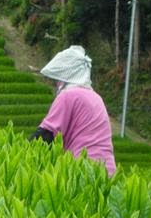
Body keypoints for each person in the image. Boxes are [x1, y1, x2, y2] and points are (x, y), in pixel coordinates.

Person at [29, 45, 116, 176]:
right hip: (108, 171)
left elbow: (46, 134)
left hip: (85, 170)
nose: (57, 83)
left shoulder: (68, 95)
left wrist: (20, 154)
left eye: (58, 79)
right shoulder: (96, 97)